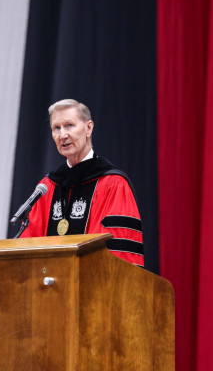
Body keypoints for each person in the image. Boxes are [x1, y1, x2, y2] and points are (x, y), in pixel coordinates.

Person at [19, 99, 144, 266]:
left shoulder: (113, 184)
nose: (63, 135)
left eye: (69, 125)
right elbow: (28, 245)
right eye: (57, 128)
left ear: (88, 128)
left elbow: (119, 254)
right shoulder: (48, 187)